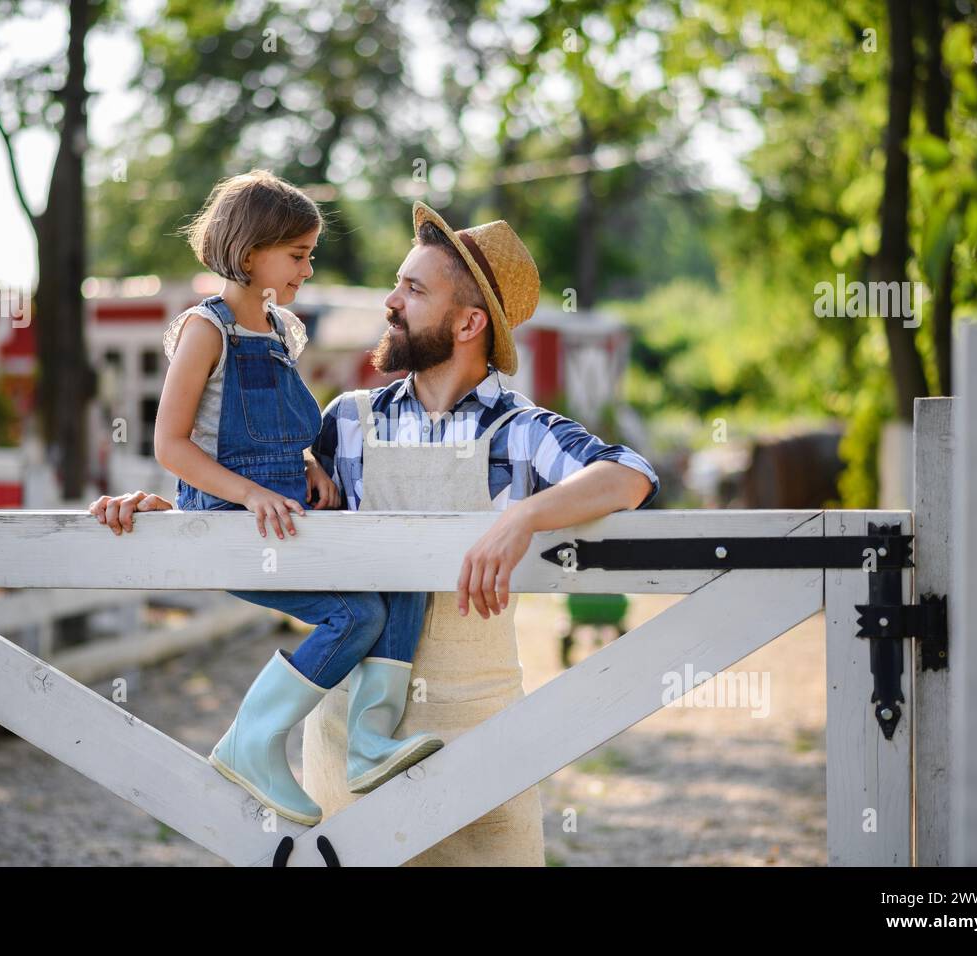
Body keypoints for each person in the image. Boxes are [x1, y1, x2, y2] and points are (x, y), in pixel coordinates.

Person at [91, 200, 660, 865]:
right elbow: (270, 510)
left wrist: (525, 514)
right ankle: (333, 736)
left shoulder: (521, 431)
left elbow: (629, 474)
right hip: (344, 761)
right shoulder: (349, 421)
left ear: (470, 321)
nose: (390, 302)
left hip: (475, 744)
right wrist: (172, 512)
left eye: (413, 290)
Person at [129, 169, 439, 828]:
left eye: (310, 254)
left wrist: (304, 466)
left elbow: (271, 430)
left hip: (285, 521)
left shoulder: (281, 331)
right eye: (297, 254)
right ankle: (252, 741)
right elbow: (172, 446)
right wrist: (250, 494)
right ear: (249, 254)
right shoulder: (205, 330)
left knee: (406, 578)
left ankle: (369, 743)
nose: (307, 266)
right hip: (228, 524)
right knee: (353, 616)